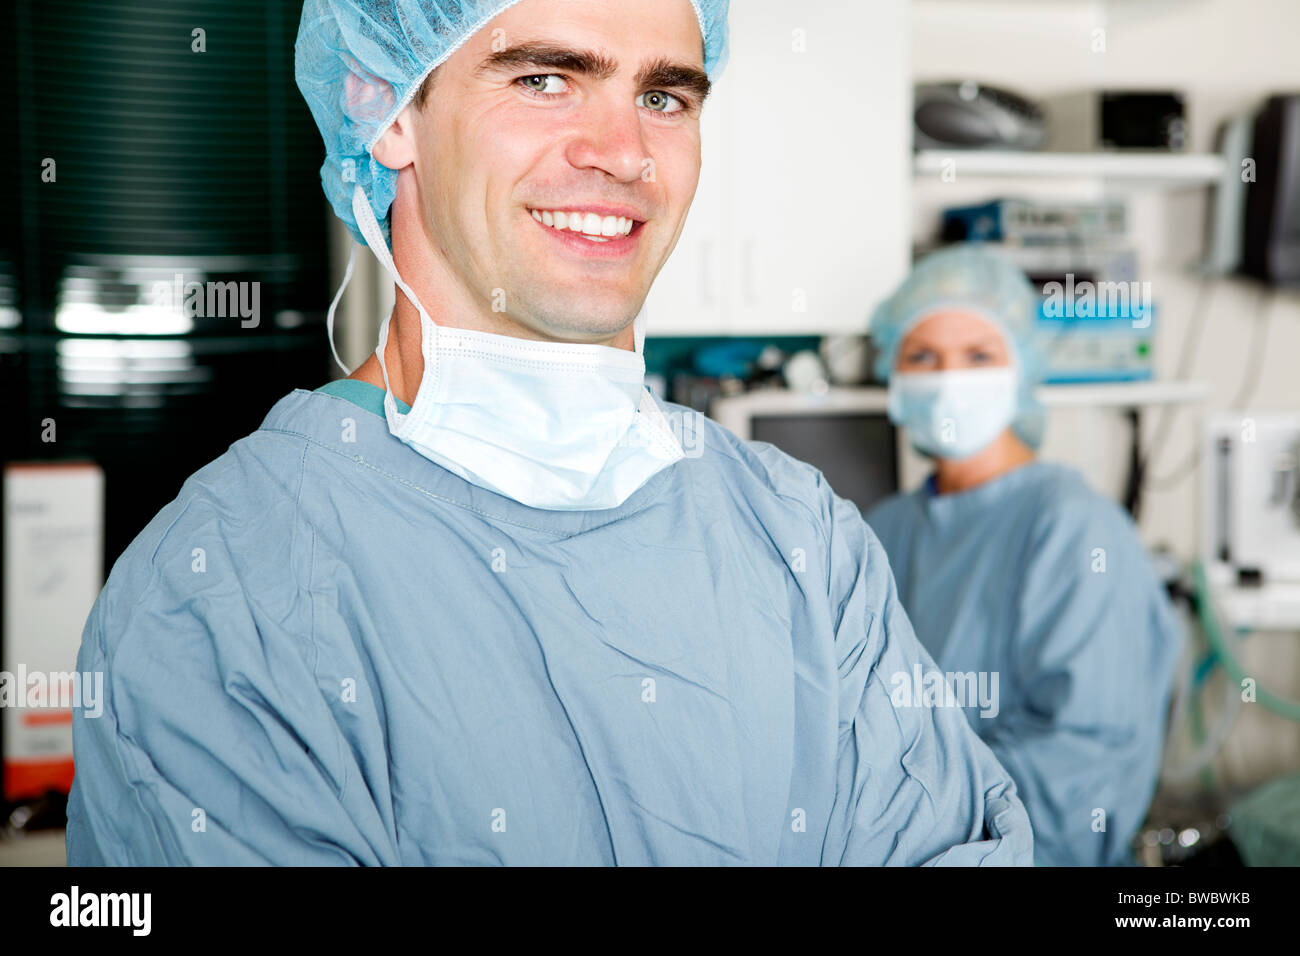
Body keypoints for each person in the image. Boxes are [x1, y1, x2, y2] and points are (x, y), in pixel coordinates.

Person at [65, 0, 1033, 865]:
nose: (622, 151)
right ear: (388, 108)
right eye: (543, 78)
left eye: (665, 97)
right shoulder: (221, 594)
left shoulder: (803, 546)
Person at [865, 244, 1182, 866]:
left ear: (1021, 370)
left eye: (978, 356)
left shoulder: (1072, 528)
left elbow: (1085, 767)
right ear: (892, 378)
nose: (949, 379)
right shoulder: (881, 531)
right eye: (923, 357)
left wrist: (907, 818)